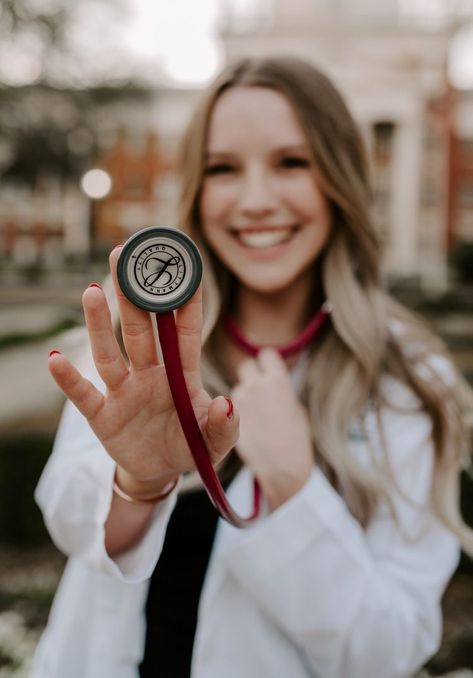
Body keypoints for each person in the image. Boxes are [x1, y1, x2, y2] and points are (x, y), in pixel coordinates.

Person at [32, 56, 473, 678]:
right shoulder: (135, 347)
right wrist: (139, 481)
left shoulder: (410, 379)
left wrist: (296, 484)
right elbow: (73, 527)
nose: (257, 201)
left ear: (341, 178)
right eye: (224, 169)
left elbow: (390, 648)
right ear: (197, 186)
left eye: (292, 163)